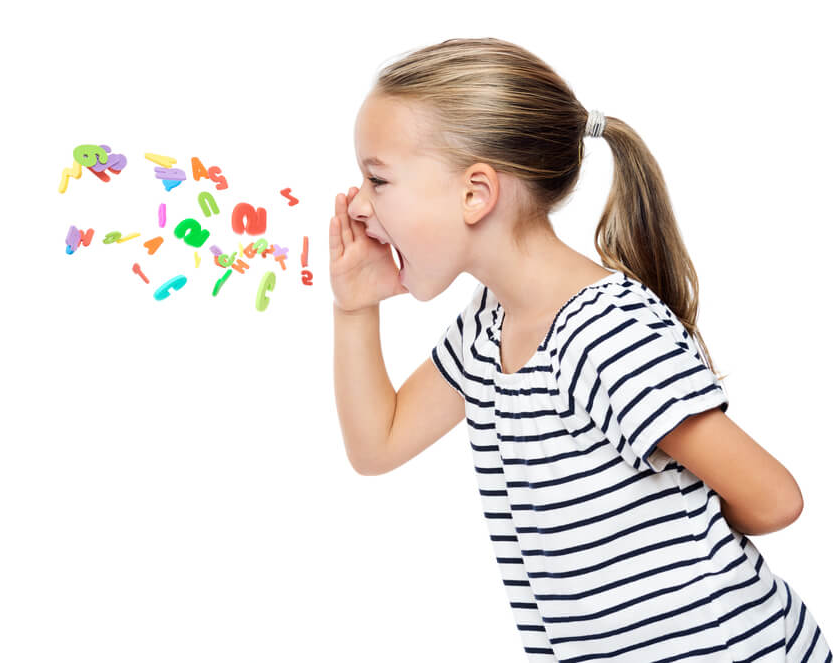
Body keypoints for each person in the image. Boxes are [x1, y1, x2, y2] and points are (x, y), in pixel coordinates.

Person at [329, 37, 830, 662]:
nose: (356, 203)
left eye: (377, 179)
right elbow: (379, 443)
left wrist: (667, 547)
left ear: (475, 193)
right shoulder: (489, 326)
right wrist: (355, 305)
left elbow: (776, 498)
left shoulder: (605, 330)